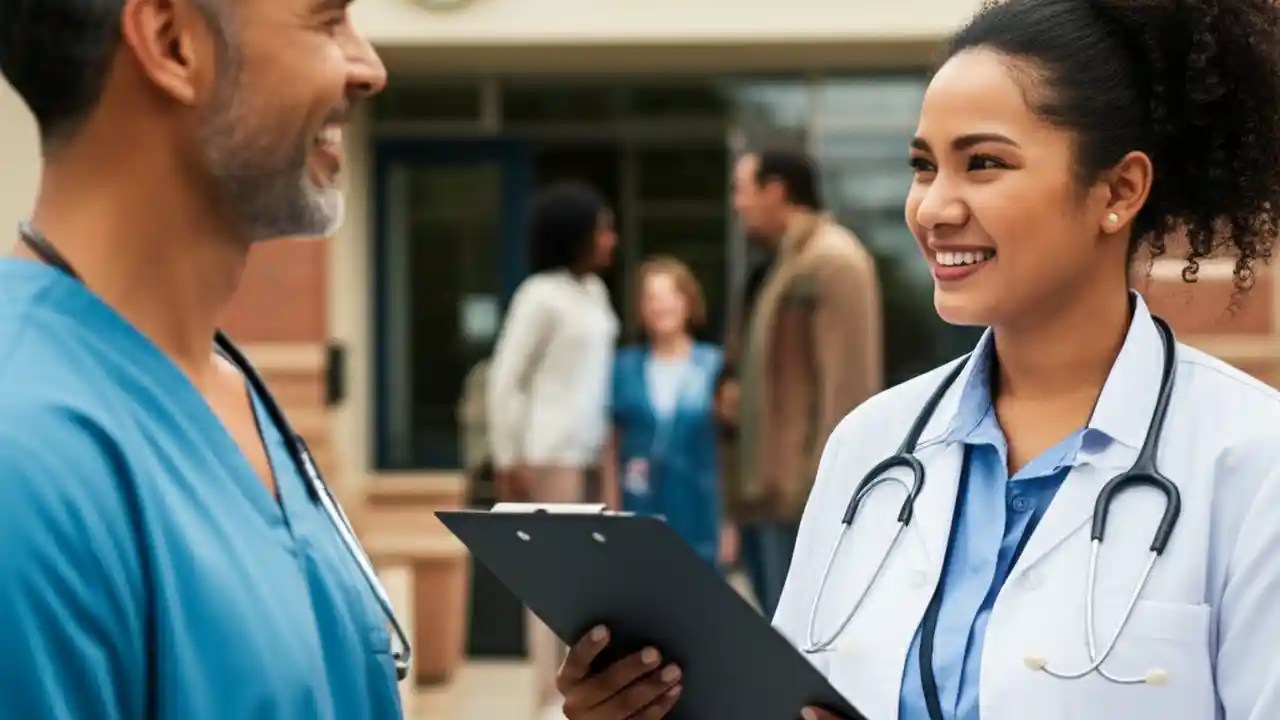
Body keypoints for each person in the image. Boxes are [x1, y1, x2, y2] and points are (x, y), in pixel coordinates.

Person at [551, 0, 1280, 717]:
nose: (932, 208)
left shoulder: (1251, 460)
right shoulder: (870, 448)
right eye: (924, 166)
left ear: (1118, 191)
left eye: (984, 163)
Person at [0, 0, 397, 719]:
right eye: (328, 21)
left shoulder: (230, 390)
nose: (370, 69)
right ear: (171, 40)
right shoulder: (24, 457)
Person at [719, 147, 884, 618]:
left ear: (776, 191)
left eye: (742, 190)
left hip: (801, 498)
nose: (737, 204)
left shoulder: (834, 261)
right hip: (766, 493)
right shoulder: (781, 264)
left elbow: (849, 390)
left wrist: (826, 488)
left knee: (804, 644)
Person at [485, 180, 620, 719]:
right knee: (551, 583)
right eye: (604, 228)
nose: (612, 239)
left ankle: (578, 697)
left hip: (589, 454)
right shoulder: (539, 295)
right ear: (577, 235)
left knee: (589, 585)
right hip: (548, 454)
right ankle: (545, 701)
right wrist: (507, 456)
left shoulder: (594, 295)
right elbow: (505, 378)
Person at [604, 256, 726, 568]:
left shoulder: (714, 366)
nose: (662, 306)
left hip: (699, 508)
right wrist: (613, 512)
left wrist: (731, 522)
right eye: (652, 298)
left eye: (671, 296)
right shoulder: (624, 367)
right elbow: (611, 445)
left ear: (688, 303)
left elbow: (729, 449)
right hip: (639, 509)